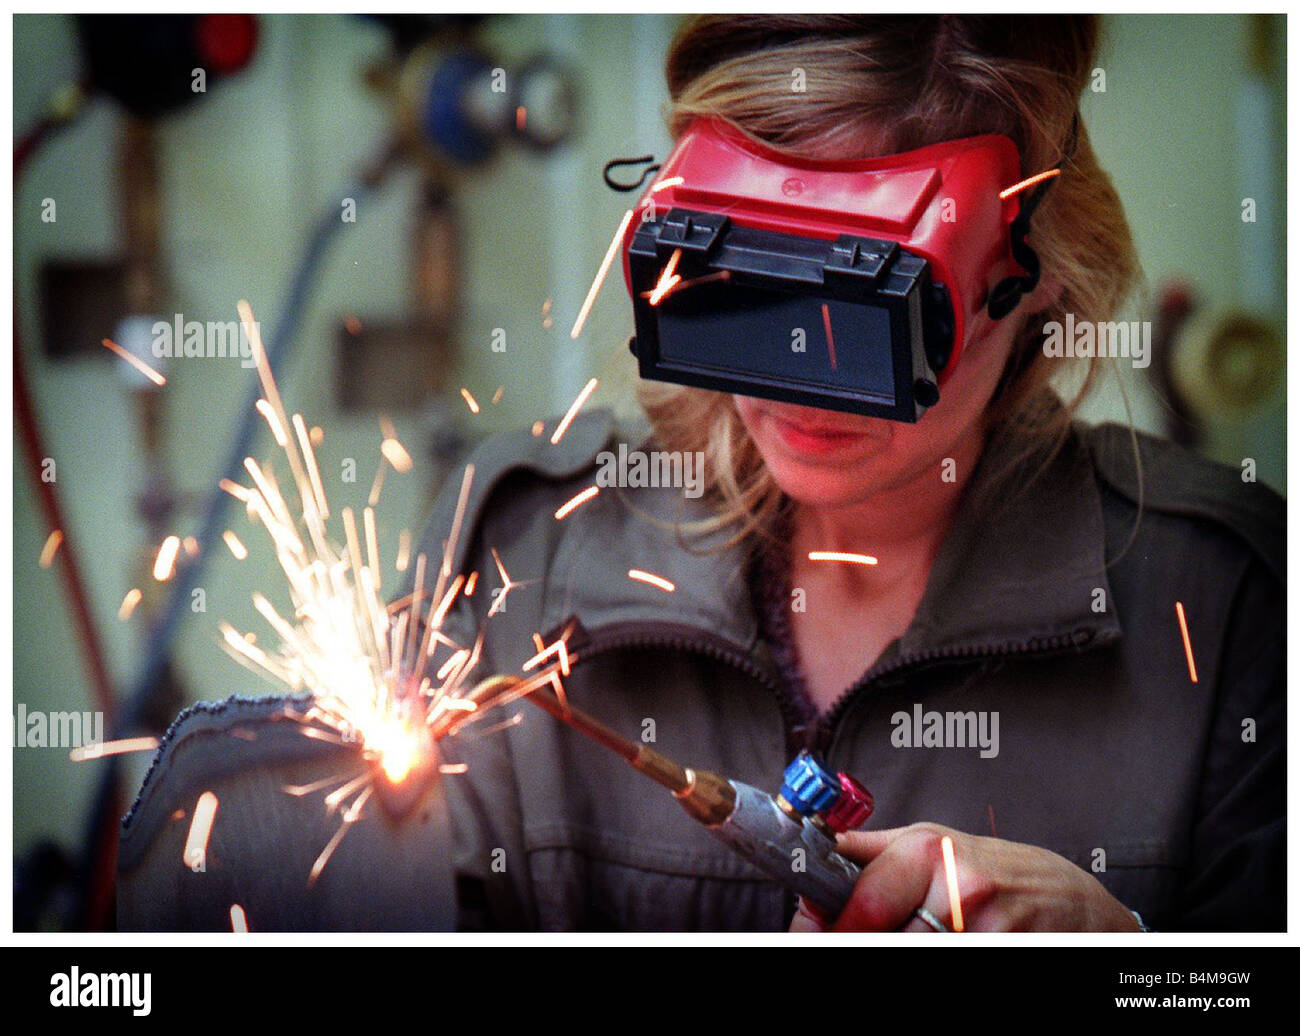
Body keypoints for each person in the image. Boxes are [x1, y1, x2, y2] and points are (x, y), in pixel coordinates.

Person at [419, 14, 1283, 932]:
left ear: (1035, 271)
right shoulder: (518, 549)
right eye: (743, 286)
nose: (803, 384)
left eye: (865, 320)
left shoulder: (1232, 605)